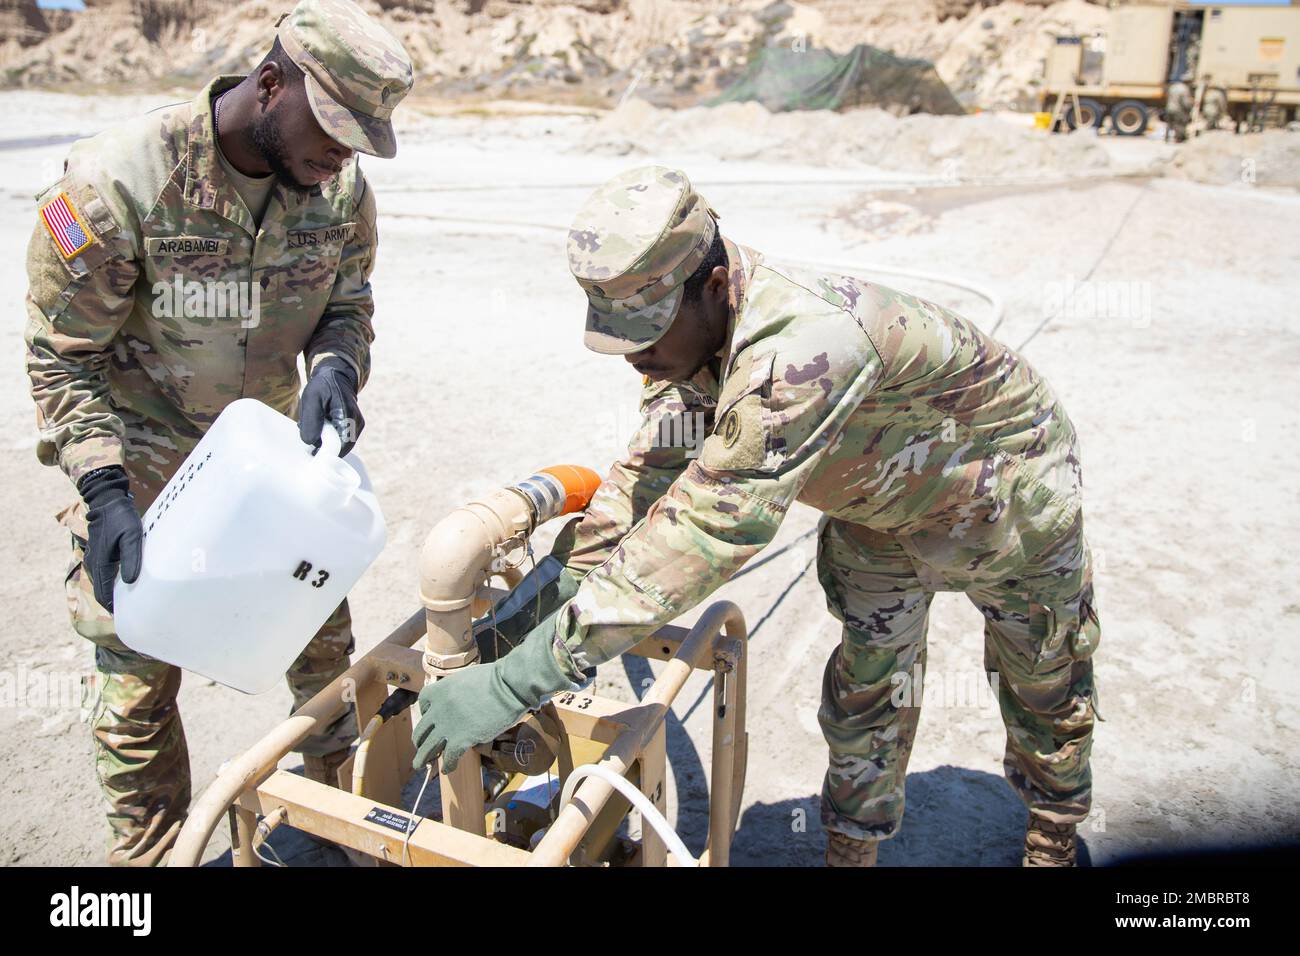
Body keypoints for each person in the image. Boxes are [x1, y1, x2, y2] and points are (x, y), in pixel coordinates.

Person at [411, 165, 1101, 867]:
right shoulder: (693, 350)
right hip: (877, 509)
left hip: (1004, 494)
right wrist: (530, 611)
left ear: (713, 286)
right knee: (869, 687)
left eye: (649, 336)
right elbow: (643, 489)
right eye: (624, 341)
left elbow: (709, 529)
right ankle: (850, 853)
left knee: (1044, 675)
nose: (640, 363)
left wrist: (519, 678)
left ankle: (1052, 836)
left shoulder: (800, 348)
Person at [23, 0, 412, 865]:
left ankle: (338, 831)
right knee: (134, 693)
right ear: (270, 84)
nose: (343, 154)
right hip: (144, 484)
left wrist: (338, 371)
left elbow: (347, 306)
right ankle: (154, 864)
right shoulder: (115, 185)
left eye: (360, 137)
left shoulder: (337, 188)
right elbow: (63, 358)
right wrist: (103, 490)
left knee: (326, 657)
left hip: (272, 481)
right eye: (334, 127)